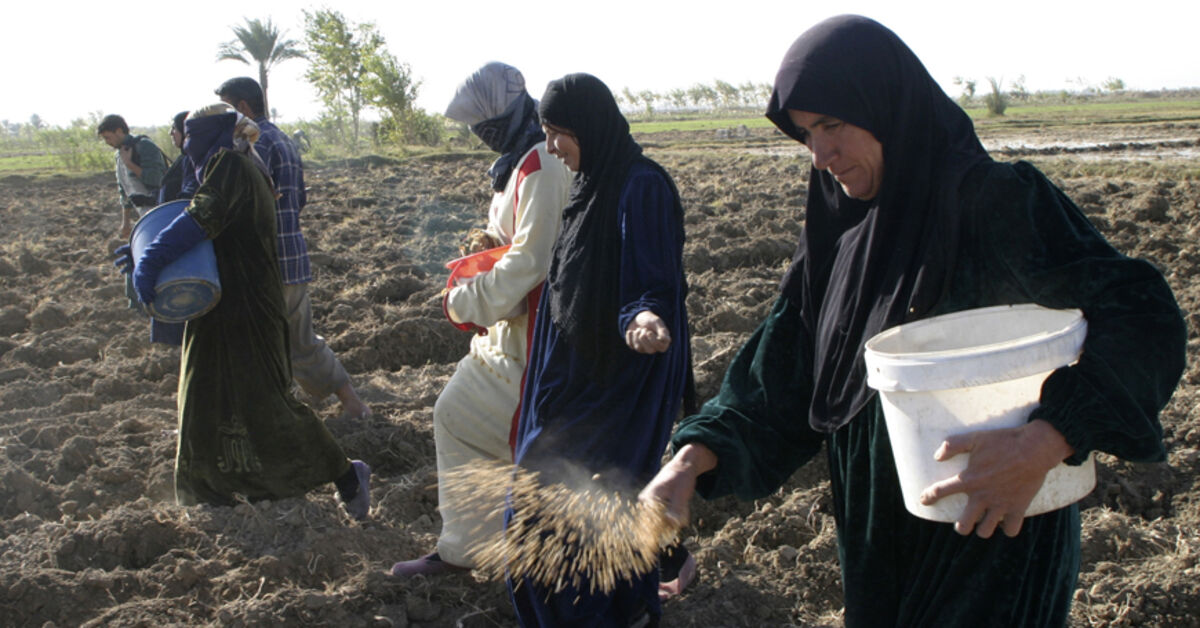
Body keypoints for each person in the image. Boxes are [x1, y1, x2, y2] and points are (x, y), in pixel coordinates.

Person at [639, 15, 1187, 628]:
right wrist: (689, 461)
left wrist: (1047, 439)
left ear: (885, 105)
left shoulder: (990, 202)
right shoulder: (838, 234)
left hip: (996, 532)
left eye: (832, 124)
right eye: (804, 133)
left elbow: (1144, 317)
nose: (820, 156)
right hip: (879, 543)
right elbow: (781, 375)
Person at [115, 103, 371, 518]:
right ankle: (207, 496)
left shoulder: (231, 167)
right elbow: (202, 232)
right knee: (203, 399)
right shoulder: (233, 168)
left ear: (214, 135)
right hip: (220, 309)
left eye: (192, 134)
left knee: (265, 404)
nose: (186, 143)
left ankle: (345, 474)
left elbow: (199, 221)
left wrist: (151, 259)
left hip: (248, 310)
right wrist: (140, 249)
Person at [507, 72, 695, 627]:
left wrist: (641, 316)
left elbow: (652, 279)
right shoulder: (587, 184)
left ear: (587, 126)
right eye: (544, 131)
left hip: (616, 383)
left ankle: (614, 613)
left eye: (558, 131)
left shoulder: (642, 185)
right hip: (571, 379)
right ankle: (622, 609)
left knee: (580, 508)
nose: (552, 146)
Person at [388, 62, 572, 577]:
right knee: (459, 417)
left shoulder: (542, 164)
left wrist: (465, 302)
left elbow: (532, 260)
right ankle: (477, 545)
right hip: (507, 330)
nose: (481, 137)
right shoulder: (518, 164)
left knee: (491, 428)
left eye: (487, 125)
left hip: (534, 336)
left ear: (514, 113)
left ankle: (486, 549)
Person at [215, 76, 371, 421]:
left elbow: (243, 204)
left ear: (242, 108)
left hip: (265, 262)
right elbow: (298, 199)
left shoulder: (251, 145)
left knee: (257, 344)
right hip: (293, 257)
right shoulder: (283, 140)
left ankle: (268, 418)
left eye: (227, 110)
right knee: (301, 341)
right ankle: (353, 403)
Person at [97, 114, 168, 239]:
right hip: (143, 214)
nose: (107, 142)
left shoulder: (145, 146)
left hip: (160, 212)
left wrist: (129, 164)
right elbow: (124, 189)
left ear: (119, 131)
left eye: (108, 138)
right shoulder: (119, 155)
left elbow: (157, 179)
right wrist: (126, 222)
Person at [158, 110, 198, 204]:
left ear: (186, 130)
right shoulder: (183, 158)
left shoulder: (193, 159)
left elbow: (192, 187)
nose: (170, 133)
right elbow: (171, 188)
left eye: (174, 128)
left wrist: (182, 199)